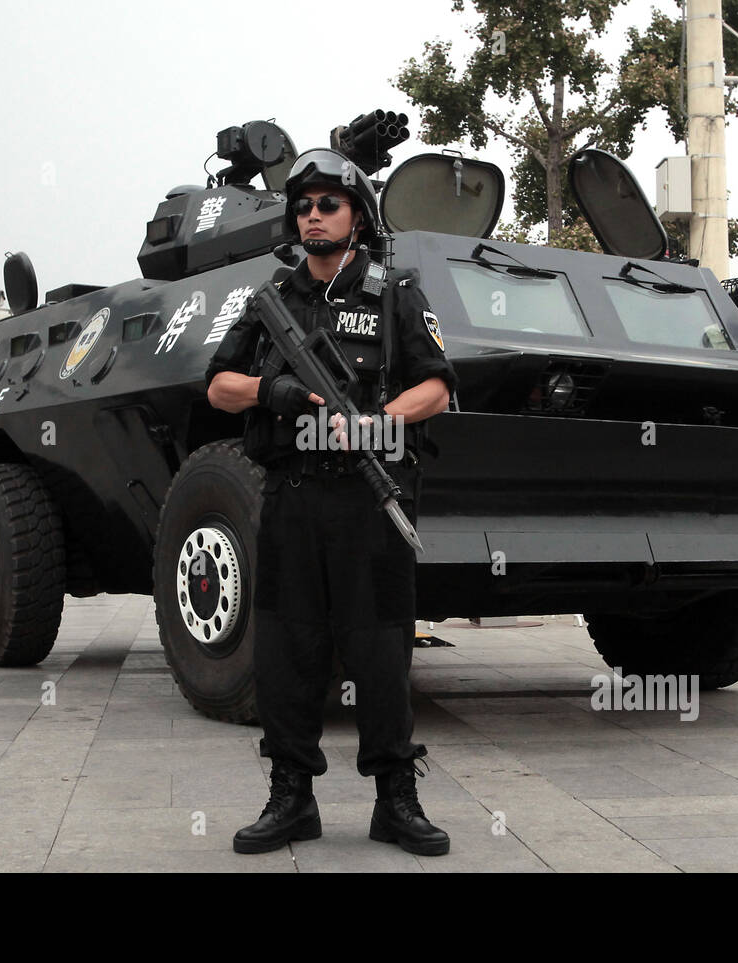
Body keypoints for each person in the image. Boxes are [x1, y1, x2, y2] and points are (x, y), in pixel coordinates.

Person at [206, 149, 457, 856]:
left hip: (368, 505)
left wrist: (377, 423)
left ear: (357, 217)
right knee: (287, 653)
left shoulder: (395, 292)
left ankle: (395, 799)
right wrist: (269, 390)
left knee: (381, 656)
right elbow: (218, 384)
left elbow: (436, 386)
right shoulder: (272, 301)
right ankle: (291, 796)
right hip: (290, 500)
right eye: (304, 205)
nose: (313, 214)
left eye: (329, 204)